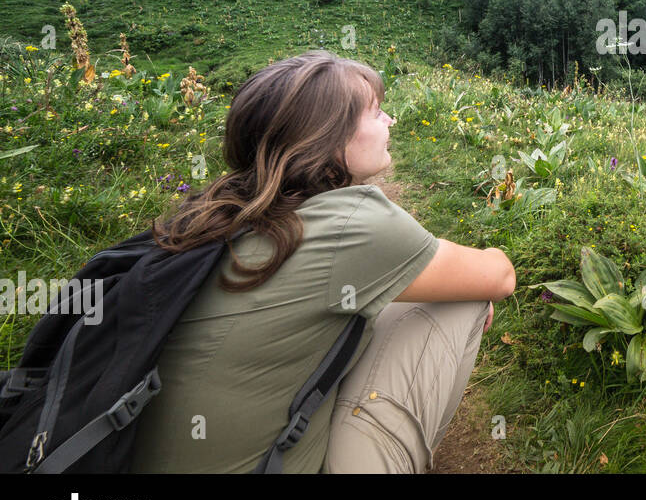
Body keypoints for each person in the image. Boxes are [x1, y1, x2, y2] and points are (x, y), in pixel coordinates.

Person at [128, 50, 515, 473]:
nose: (392, 121)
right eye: (376, 112)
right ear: (329, 141)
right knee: (466, 300)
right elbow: (500, 276)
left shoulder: (216, 212)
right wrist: (476, 268)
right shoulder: (354, 222)